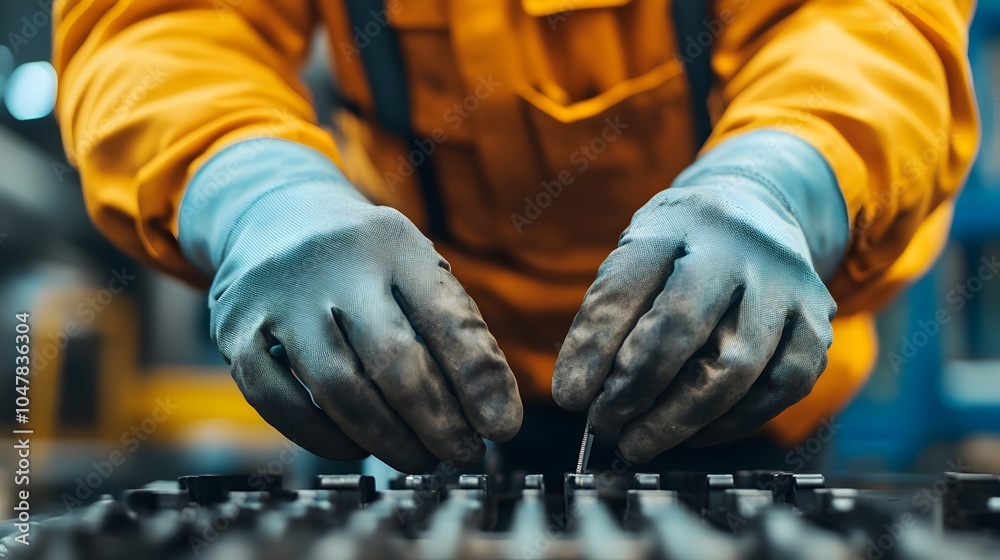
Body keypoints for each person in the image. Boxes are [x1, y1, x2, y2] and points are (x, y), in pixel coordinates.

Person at [53, 0, 978, 473]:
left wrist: (785, 177)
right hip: (391, 379)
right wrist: (258, 192)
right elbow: (166, 25)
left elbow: (864, 23)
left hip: (732, 390)